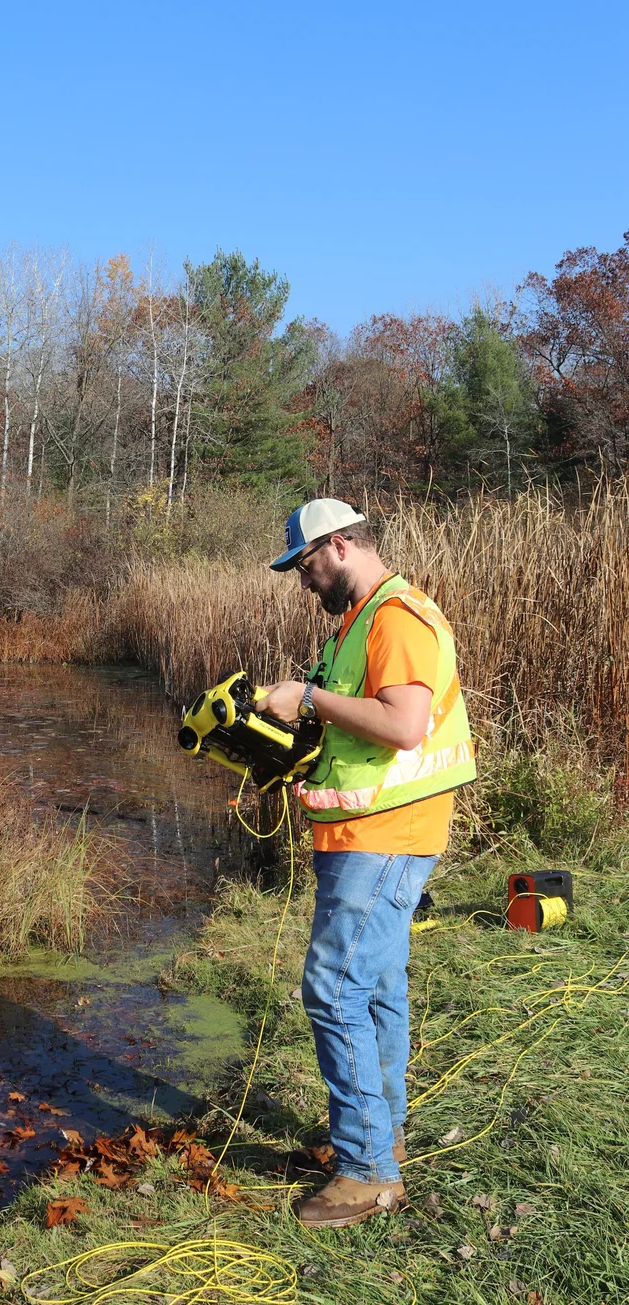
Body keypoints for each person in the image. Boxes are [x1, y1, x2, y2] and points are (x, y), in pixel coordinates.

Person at [257, 497, 476, 1228]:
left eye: (307, 565)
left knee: (334, 989)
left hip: (386, 839)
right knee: (377, 986)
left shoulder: (397, 617)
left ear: (341, 545)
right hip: (366, 832)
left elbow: (405, 726)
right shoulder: (360, 624)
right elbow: (365, 735)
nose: (303, 582)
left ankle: (368, 1171)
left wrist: (309, 696)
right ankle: (382, 1137)